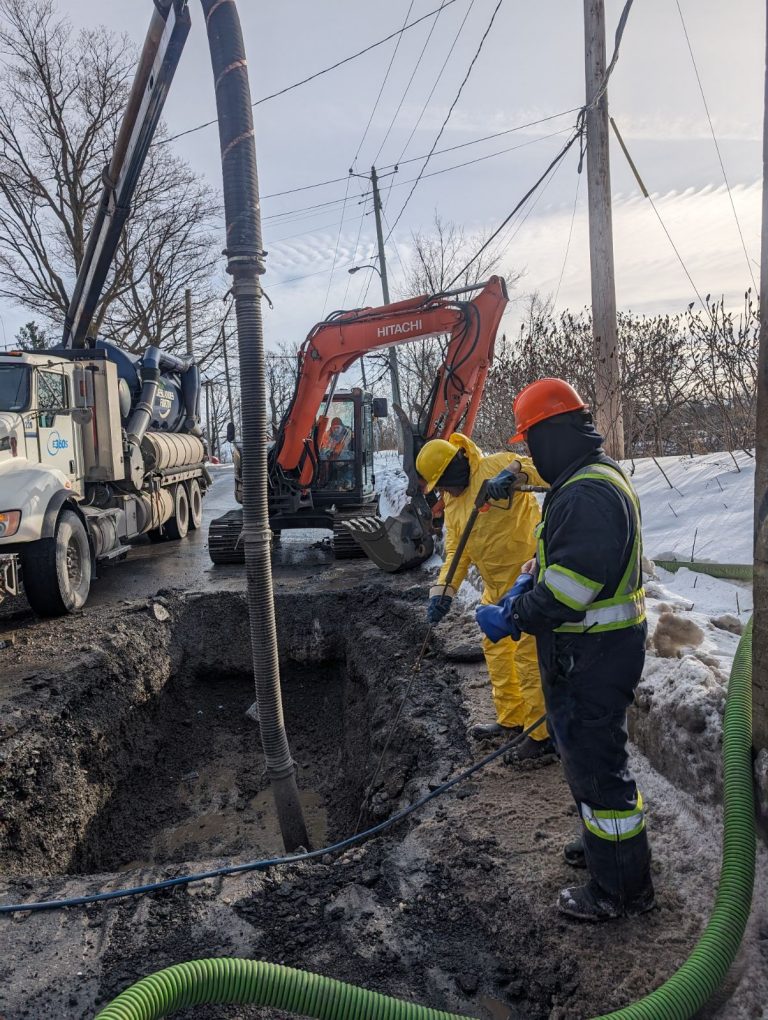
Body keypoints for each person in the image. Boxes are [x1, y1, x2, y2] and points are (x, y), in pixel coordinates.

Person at [476, 378, 654, 921]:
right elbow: (568, 560)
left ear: (552, 434)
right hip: (589, 652)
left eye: (531, 441)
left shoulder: (586, 492)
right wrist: (530, 576)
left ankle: (621, 890)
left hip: (593, 656)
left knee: (599, 769)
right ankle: (604, 847)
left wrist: (515, 615)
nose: (531, 454)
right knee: (583, 758)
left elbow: (571, 590)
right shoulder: (586, 478)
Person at [415, 432, 552, 762]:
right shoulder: (453, 502)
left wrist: (515, 475)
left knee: (527, 656)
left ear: (454, 469)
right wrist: (443, 591)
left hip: (526, 580)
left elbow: (543, 472)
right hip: (496, 587)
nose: (444, 492)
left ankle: (541, 736)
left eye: (444, 485)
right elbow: (456, 551)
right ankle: (512, 719)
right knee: (496, 647)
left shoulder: (496, 466)